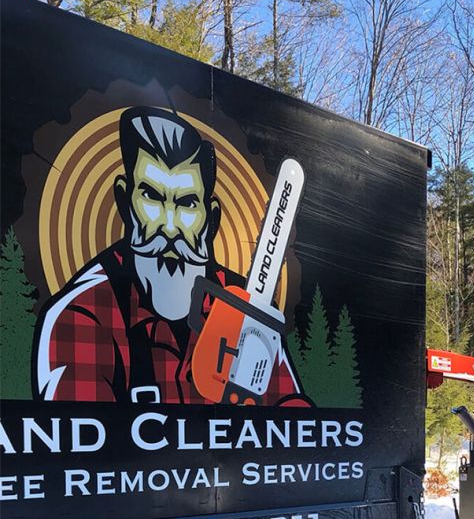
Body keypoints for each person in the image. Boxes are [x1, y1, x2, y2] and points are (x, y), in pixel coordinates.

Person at [35, 106, 301, 404]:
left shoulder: (243, 305)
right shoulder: (85, 312)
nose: (170, 226)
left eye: (187, 203)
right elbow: (85, 439)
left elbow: (292, 412)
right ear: (125, 201)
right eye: (152, 197)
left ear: (210, 217)